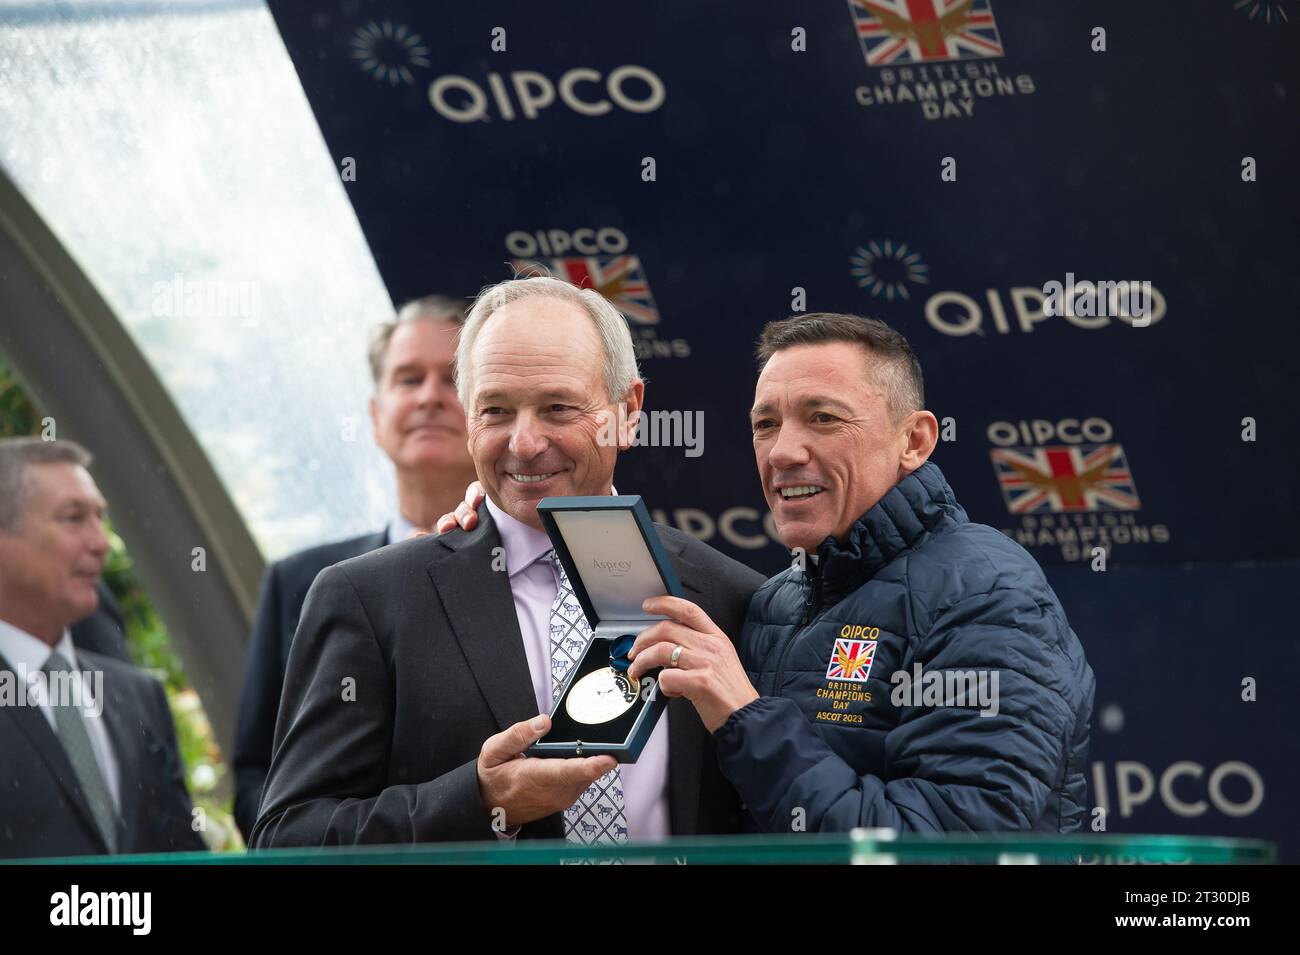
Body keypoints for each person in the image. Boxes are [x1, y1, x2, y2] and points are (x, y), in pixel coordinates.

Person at [444, 312, 1095, 833]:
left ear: (916, 439)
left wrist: (748, 715)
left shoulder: (985, 590)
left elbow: (957, 850)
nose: (784, 450)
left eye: (824, 417)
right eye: (765, 423)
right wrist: (505, 525)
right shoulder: (772, 601)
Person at [250, 276, 763, 847]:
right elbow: (286, 839)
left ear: (627, 409)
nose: (523, 442)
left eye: (557, 407)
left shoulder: (728, 597)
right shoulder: (372, 600)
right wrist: (480, 800)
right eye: (495, 410)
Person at [232, 295, 479, 839]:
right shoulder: (297, 583)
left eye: (452, 379)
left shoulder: (535, 571)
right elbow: (256, 774)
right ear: (375, 415)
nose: (430, 397)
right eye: (408, 379)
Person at [0, 438, 206, 858]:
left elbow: (180, 850)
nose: (102, 543)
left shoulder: (139, 697)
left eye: (100, 518)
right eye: (74, 519)